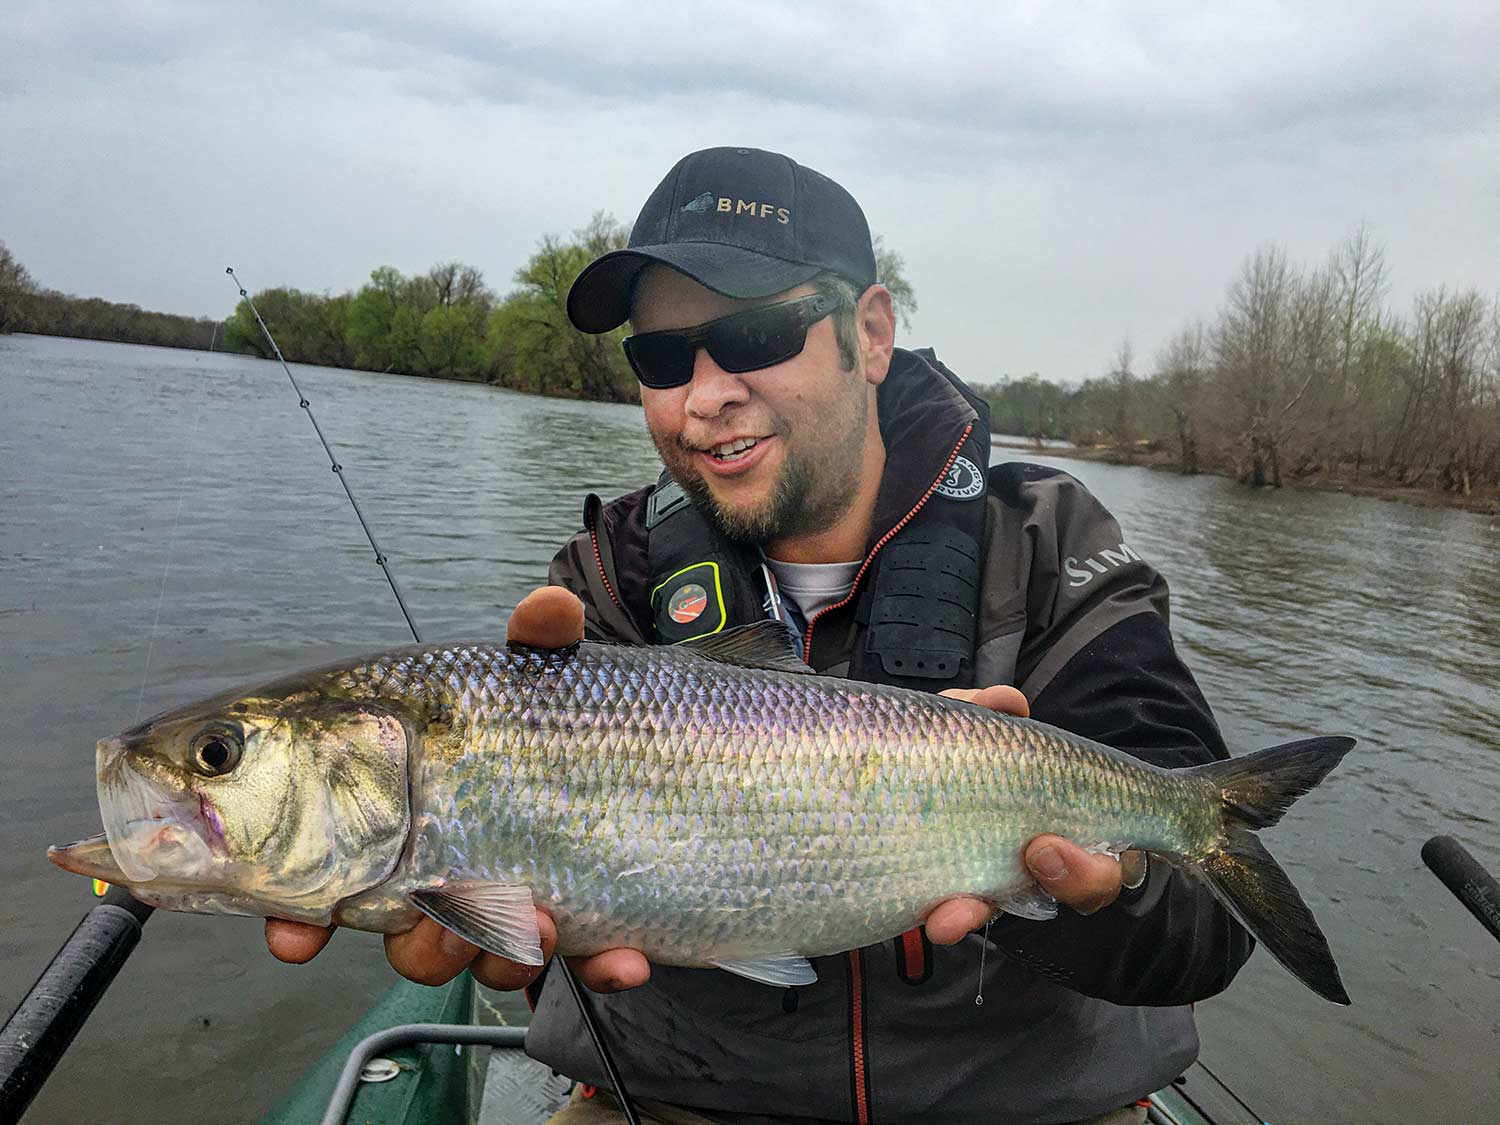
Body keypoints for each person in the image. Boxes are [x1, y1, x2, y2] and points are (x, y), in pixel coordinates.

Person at [267, 147, 1252, 1125]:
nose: (703, 397)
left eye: (755, 332)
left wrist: (1089, 889)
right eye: (660, 356)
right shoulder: (604, 580)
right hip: (668, 1105)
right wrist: (480, 909)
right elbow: (516, 904)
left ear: (869, 335)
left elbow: (1210, 927)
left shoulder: (1047, 546)